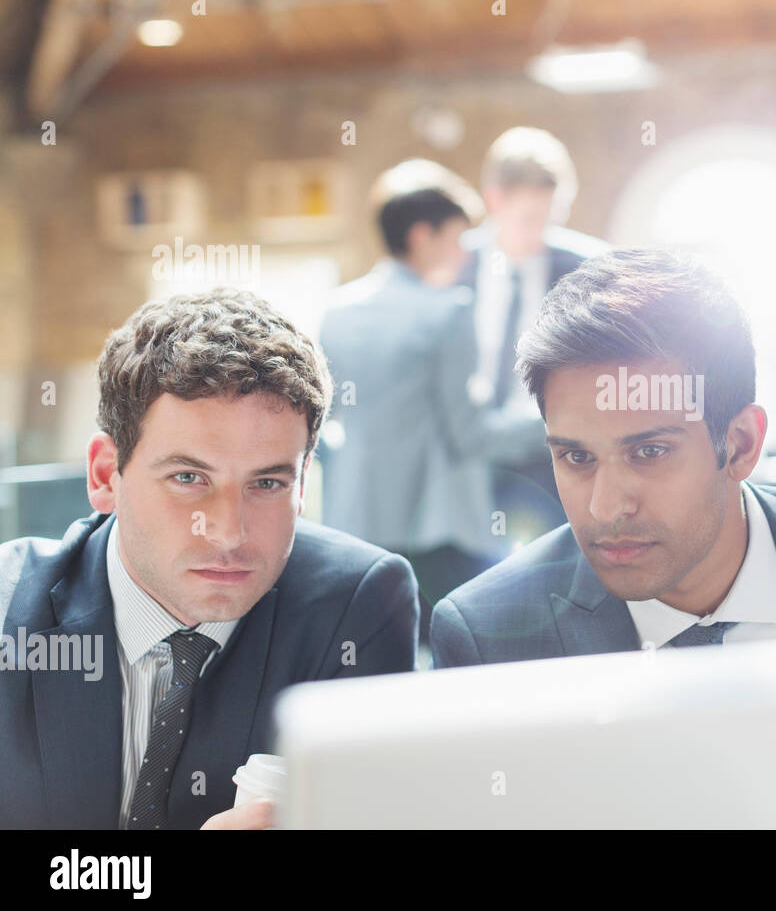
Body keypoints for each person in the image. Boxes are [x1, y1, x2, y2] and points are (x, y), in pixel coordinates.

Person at [430, 250, 776, 668]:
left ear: (743, 445)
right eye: (577, 457)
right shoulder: (488, 635)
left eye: (649, 451)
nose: (605, 507)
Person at [0, 289, 418, 829]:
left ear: (303, 482)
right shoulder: (9, 609)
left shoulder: (358, 606)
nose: (228, 533)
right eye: (189, 478)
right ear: (106, 475)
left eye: (267, 482)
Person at [318, 160, 542, 649]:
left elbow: (324, 424)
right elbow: (471, 435)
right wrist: (547, 421)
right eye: (458, 239)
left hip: (355, 525)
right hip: (436, 528)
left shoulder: (336, 312)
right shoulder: (447, 313)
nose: (465, 255)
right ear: (423, 236)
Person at [455, 127, 609, 542]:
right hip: (465, 460)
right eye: (528, 218)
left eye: (550, 217)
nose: (540, 231)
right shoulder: (448, 266)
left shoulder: (590, 269)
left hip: (550, 458)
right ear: (494, 200)